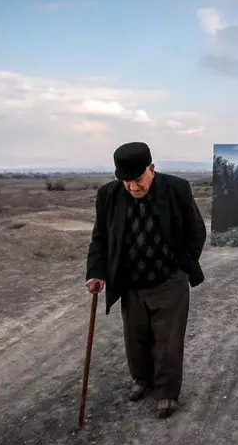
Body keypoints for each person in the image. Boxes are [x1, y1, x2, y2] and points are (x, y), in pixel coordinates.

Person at [85, 141, 207, 419]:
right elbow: (100, 238)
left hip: (169, 280)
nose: (132, 187)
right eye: (126, 181)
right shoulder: (108, 195)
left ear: (151, 169)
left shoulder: (176, 189)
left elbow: (196, 232)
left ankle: (166, 392)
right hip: (130, 282)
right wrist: (96, 272)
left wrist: (182, 267)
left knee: (168, 340)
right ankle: (143, 380)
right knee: (135, 337)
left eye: (138, 179)